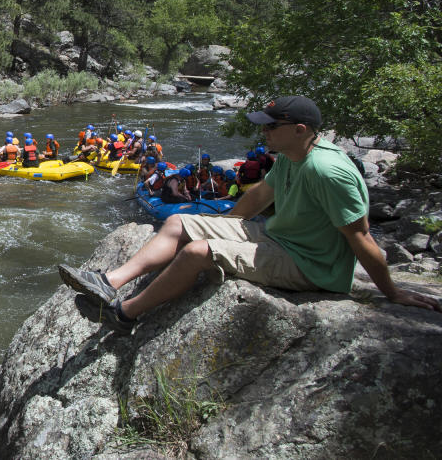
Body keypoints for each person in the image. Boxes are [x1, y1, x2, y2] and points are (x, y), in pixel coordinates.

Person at [58, 95, 442, 334]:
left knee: (197, 252)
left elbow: (361, 238)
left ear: (301, 129)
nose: (265, 133)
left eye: (272, 127)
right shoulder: (292, 156)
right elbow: (259, 196)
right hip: (279, 237)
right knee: (178, 222)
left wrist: (391, 292)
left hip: (311, 265)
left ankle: (123, 315)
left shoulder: (328, 171)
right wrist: (223, 225)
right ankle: (110, 281)